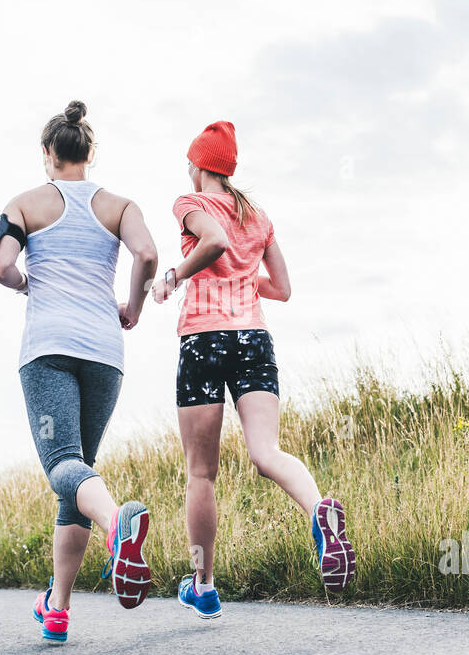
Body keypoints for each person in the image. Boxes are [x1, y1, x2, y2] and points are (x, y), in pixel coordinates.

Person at [152, 120, 357, 619]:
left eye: (190, 163)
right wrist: (245, 280)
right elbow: (282, 288)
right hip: (253, 339)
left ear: (200, 166)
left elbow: (215, 241)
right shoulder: (258, 215)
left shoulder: (190, 204)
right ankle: (318, 512)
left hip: (204, 337)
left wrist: (174, 276)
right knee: (266, 452)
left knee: (201, 473)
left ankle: (203, 584)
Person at [0, 100, 158, 642]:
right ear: (89, 152)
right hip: (105, 351)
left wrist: (23, 283)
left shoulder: (25, 203)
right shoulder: (120, 205)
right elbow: (148, 257)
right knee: (78, 477)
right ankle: (56, 607)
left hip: (49, 348)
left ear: (47, 155)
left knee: (64, 464)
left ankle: (117, 531)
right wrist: (131, 307)